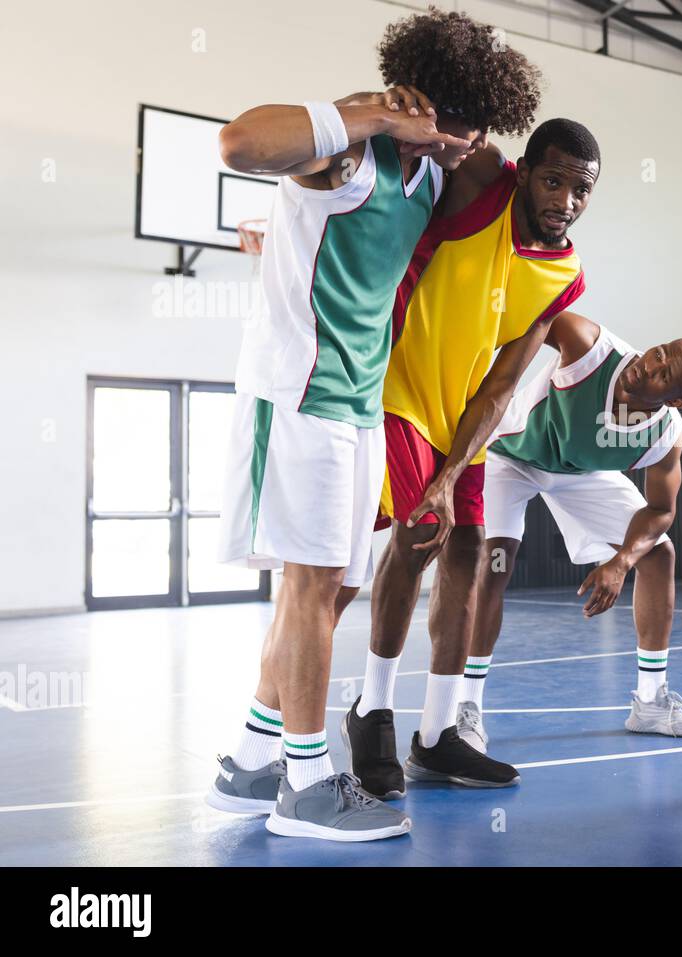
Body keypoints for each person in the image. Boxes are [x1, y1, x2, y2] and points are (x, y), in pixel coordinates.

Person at [206, 8, 542, 841]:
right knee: (311, 585)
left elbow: (506, 167)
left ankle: (252, 760)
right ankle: (306, 783)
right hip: (300, 397)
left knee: (324, 586)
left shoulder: (437, 166)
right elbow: (239, 143)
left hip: (358, 403)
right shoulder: (353, 150)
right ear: (418, 102)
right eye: (460, 125)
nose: (472, 144)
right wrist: (372, 113)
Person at [340, 119, 600, 794]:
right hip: (395, 389)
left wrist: (454, 469)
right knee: (415, 539)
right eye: (553, 180)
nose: (565, 201)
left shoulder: (564, 273)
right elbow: (438, 123)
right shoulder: (484, 178)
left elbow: (504, 382)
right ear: (525, 170)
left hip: (462, 417)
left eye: (581, 190)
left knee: (472, 551)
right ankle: (371, 711)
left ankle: (437, 731)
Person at [451, 310, 682, 752]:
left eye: (664, 373)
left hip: (578, 472)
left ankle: (651, 703)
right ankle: (464, 709)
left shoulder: (665, 434)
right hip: (508, 455)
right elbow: (535, 312)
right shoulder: (591, 350)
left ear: (675, 402)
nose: (649, 364)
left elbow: (659, 510)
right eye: (660, 352)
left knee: (659, 554)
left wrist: (621, 561)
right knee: (494, 562)